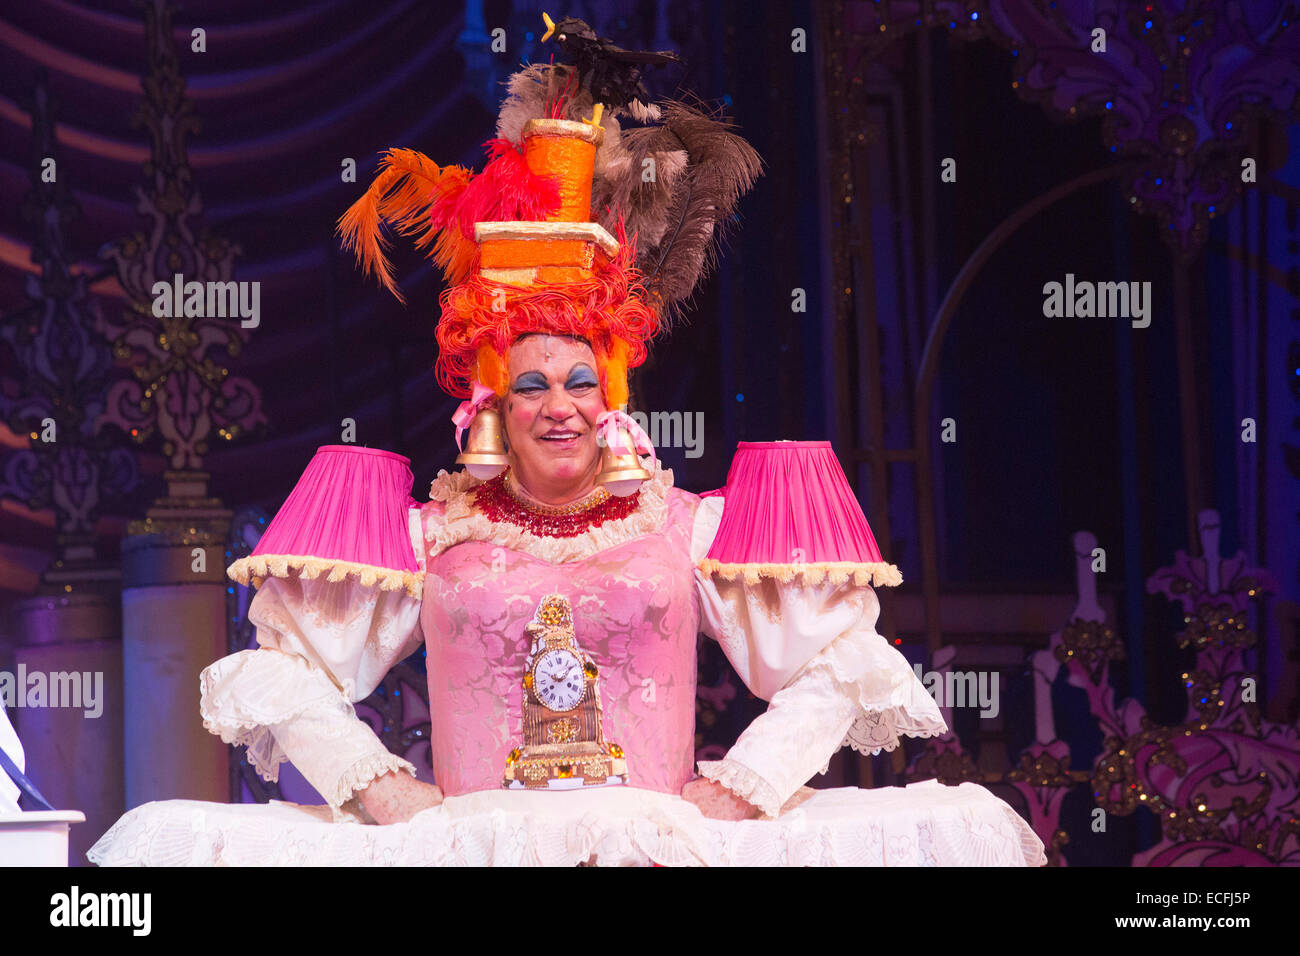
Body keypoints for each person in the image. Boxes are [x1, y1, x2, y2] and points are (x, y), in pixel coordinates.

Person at [89, 60, 1045, 866]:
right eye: (532, 383)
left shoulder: (687, 527)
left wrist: (743, 789)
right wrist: (381, 791)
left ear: (611, 394)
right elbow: (286, 673)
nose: (560, 407)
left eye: (580, 381)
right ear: (491, 400)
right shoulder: (431, 535)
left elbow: (840, 663)